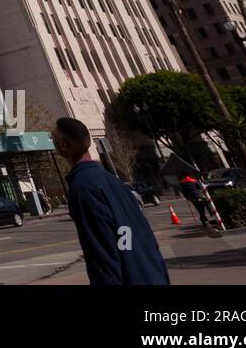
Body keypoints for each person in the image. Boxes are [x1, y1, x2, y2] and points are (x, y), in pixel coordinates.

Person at [52, 117, 170, 286]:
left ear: (63, 145)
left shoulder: (82, 188)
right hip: (152, 273)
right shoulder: (113, 181)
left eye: (54, 140)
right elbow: (132, 233)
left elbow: (101, 251)